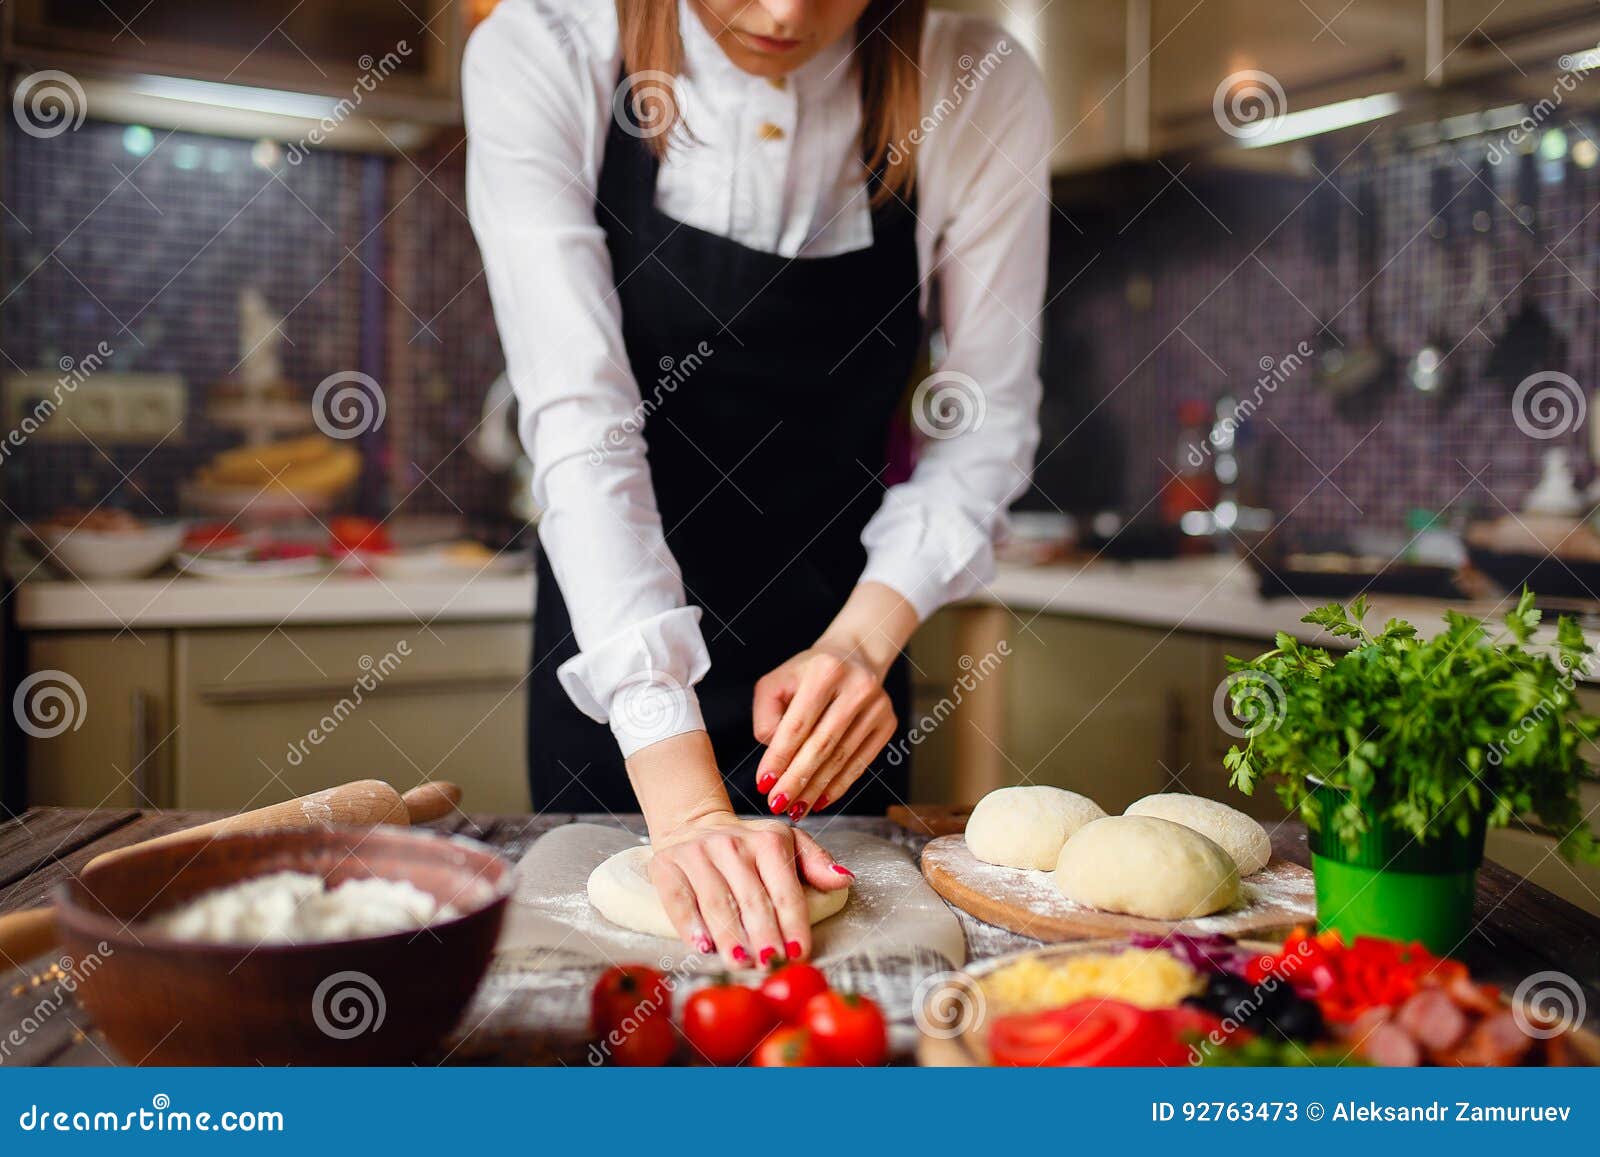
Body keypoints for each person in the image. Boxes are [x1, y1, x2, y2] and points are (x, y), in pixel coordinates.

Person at [464, 0, 1047, 967]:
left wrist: (864, 640)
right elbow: (581, 422)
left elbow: (984, 423)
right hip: (618, 671)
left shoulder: (974, 83)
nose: (784, 11)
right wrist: (686, 801)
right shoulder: (544, 49)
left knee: (832, 1008)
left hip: (835, 673)